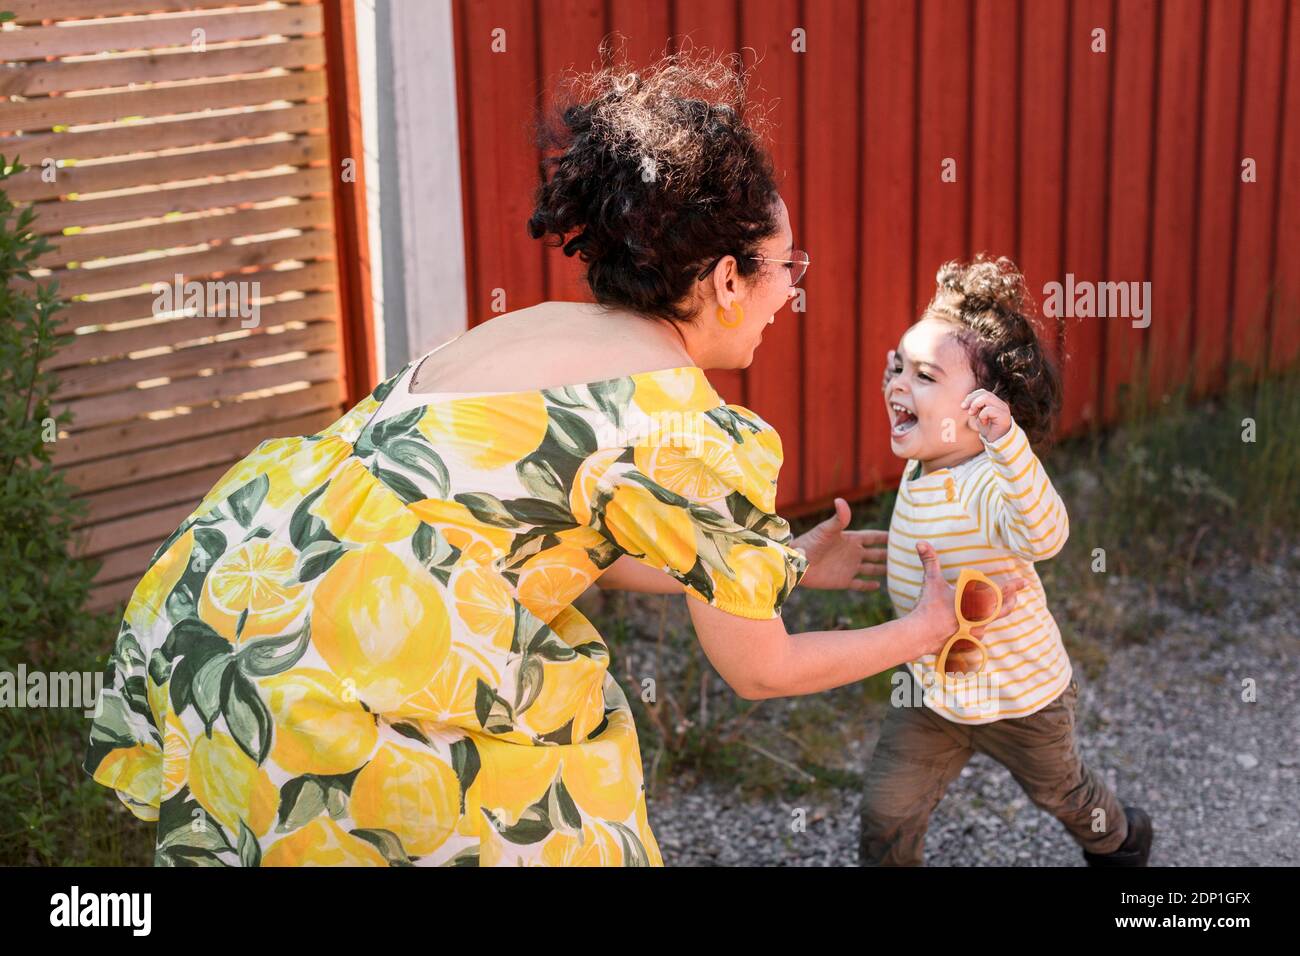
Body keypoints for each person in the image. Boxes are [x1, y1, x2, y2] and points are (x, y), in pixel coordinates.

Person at [83, 52, 1025, 866]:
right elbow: (761, 673)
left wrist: (772, 566)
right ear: (728, 279)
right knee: (562, 806)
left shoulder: (532, 331)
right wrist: (928, 626)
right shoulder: (683, 422)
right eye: (787, 267)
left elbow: (553, 540)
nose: (791, 293)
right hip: (339, 683)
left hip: (230, 612)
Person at [860, 253, 1153, 866]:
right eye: (897, 367)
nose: (897, 385)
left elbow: (1045, 534)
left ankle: (1121, 841)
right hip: (933, 693)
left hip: (1022, 698)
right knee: (889, 806)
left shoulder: (990, 483)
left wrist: (1008, 447)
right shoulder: (922, 465)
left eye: (923, 376)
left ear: (984, 410)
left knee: (1062, 792)